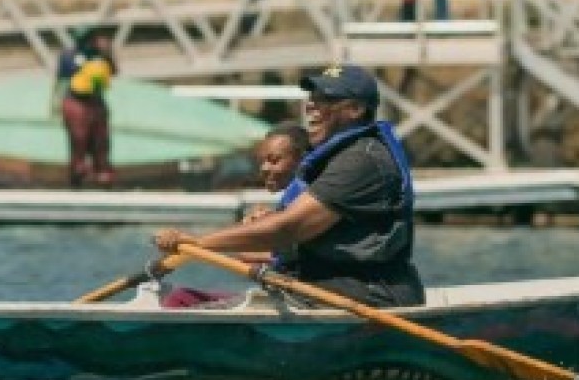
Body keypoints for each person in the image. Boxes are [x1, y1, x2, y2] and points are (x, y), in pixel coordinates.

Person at [154, 65, 423, 309]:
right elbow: (289, 240)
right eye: (311, 100)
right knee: (181, 300)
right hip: (336, 287)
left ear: (355, 110)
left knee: (193, 306)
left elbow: (287, 229)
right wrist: (200, 250)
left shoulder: (361, 161)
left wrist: (200, 242)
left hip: (374, 294)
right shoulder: (338, 157)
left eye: (326, 100)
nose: (312, 107)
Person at [160, 123, 312, 309]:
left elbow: (284, 247)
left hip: (298, 299)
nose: (264, 168)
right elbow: (255, 255)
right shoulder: (297, 196)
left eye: (274, 160)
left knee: (180, 299)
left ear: (302, 160)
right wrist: (251, 232)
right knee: (182, 297)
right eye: (262, 161)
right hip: (285, 292)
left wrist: (195, 242)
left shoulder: (302, 192)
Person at [53, 27, 116, 189]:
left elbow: (112, 71)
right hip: (76, 101)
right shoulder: (70, 55)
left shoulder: (101, 56)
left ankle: (102, 174)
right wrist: (56, 103)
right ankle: (78, 174)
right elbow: (62, 78)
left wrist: (107, 54)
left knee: (101, 141)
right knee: (78, 140)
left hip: (95, 102)